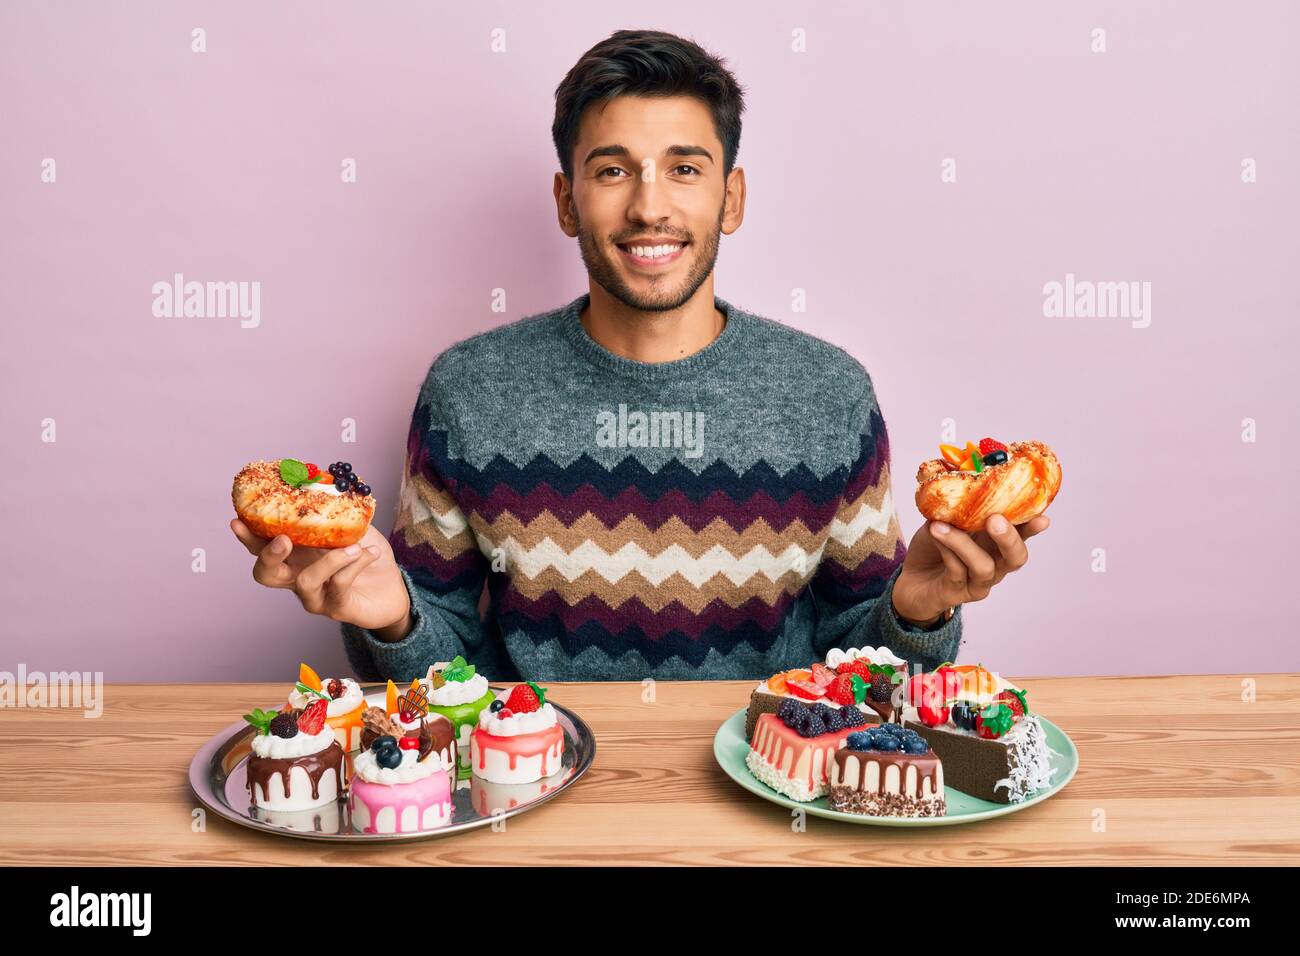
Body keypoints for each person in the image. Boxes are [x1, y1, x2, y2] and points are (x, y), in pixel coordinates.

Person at [231, 29, 1050, 682]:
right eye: (613, 169)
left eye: (684, 169)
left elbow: (864, 669)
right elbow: (446, 676)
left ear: (730, 198)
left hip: (773, 804)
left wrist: (919, 611)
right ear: (566, 200)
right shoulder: (468, 391)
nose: (650, 206)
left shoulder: (829, 393)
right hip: (532, 797)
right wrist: (396, 620)